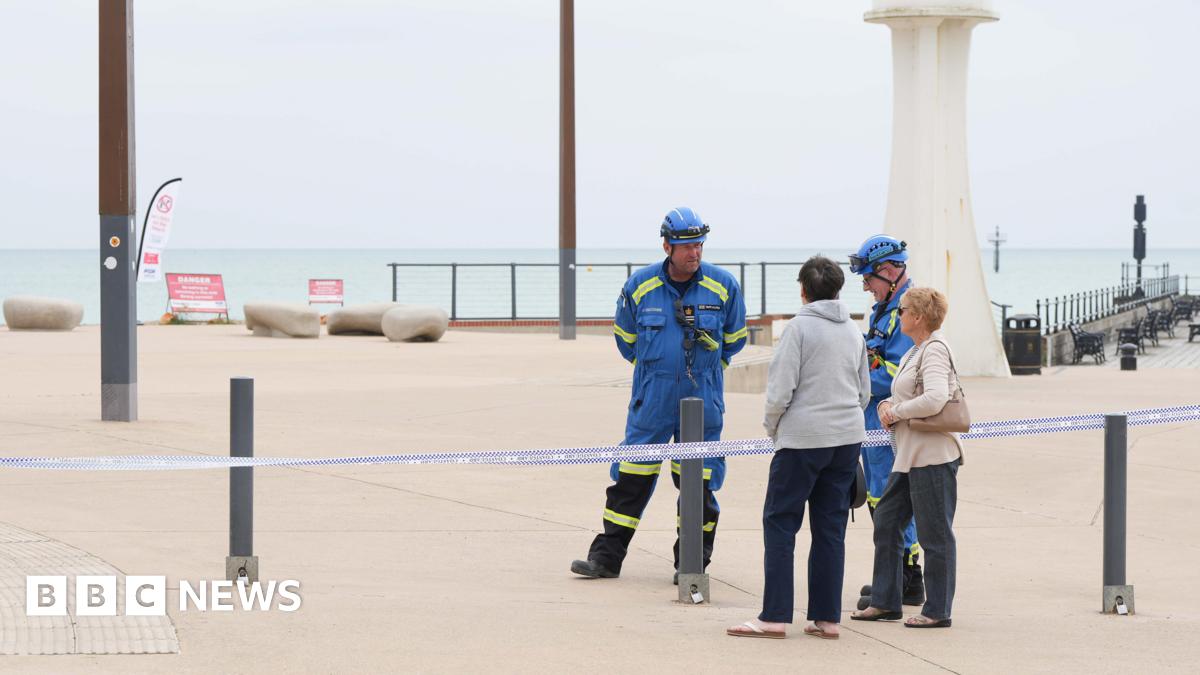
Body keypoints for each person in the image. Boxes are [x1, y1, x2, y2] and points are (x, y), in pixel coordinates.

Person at [571, 207, 748, 581]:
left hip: (703, 399)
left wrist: (708, 372)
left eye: (699, 245)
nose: (694, 253)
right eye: (686, 246)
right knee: (631, 478)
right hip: (652, 399)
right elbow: (626, 339)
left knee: (699, 484)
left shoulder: (724, 286)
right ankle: (606, 559)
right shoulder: (640, 286)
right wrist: (655, 372)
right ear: (667, 246)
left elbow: (734, 340)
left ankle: (691, 565)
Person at [726, 256, 869, 640]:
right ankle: (827, 618)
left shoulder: (798, 329)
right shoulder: (853, 331)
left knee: (780, 522)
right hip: (846, 438)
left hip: (802, 440)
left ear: (803, 290)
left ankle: (774, 616)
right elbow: (864, 391)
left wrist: (773, 428)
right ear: (838, 290)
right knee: (830, 528)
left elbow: (780, 391)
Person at [851, 287, 963, 628]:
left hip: (932, 456)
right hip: (909, 456)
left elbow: (936, 398)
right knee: (887, 520)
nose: (898, 316)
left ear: (918, 317)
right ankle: (886, 602)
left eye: (902, 311)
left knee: (935, 535)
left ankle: (937, 610)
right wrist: (888, 404)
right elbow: (904, 392)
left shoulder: (935, 350)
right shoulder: (916, 351)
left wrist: (896, 411)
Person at [849, 235, 925, 606]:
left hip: (887, 420)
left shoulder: (906, 311)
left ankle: (902, 579)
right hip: (874, 419)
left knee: (890, 500)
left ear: (890, 271)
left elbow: (897, 375)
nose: (866, 286)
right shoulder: (886, 308)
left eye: (869, 278)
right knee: (881, 499)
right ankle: (898, 576)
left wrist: (854, 377)